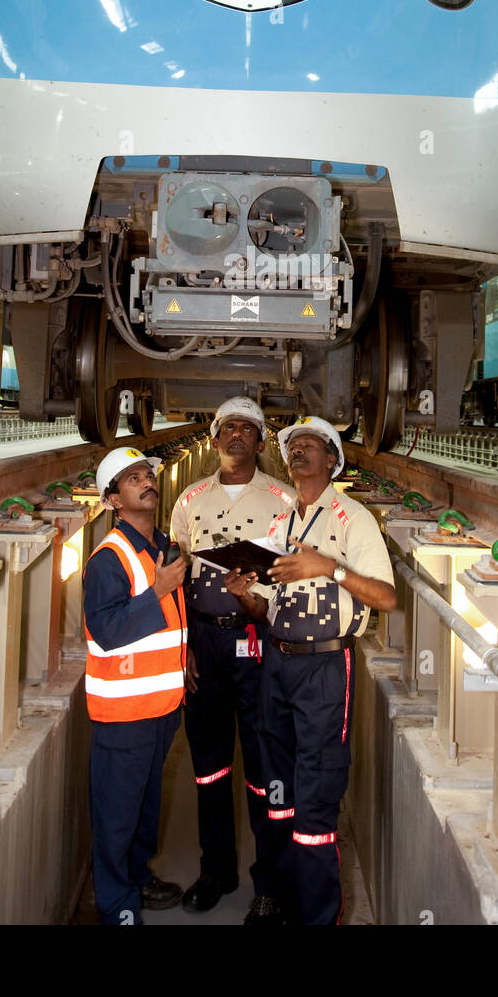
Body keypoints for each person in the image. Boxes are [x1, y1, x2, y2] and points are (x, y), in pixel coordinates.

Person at [260, 416, 397, 926]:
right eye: (293, 446)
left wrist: (330, 568)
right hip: (276, 663)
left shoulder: (352, 518)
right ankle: (275, 896)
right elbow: (265, 601)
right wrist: (242, 590)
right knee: (278, 790)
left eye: (311, 445)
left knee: (315, 795)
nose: (299, 452)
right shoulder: (281, 522)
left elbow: (385, 596)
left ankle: (317, 917)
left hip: (323, 667)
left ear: (332, 460)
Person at [170, 396, 294, 923]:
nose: (237, 436)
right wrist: (182, 647)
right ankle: (216, 872)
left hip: (259, 643)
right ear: (214, 438)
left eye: (248, 429)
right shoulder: (189, 499)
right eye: (228, 428)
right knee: (210, 769)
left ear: (262, 443)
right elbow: (175, 578)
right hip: (204, 644)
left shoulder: (287, 501)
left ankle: (269, 885)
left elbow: (297, 578)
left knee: (266, 769)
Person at [83, 445, 188, 926]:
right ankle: (116, 907)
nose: (146, 481)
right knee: (117, 816)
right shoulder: (110, 558)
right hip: (124, 713)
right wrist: (160, 590)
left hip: (162, 706)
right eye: (131, 479)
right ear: (112, 501)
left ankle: (138, 877)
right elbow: (106, 631)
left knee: (145, 806)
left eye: (147, 474)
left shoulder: (160, 545)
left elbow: (171, 623)